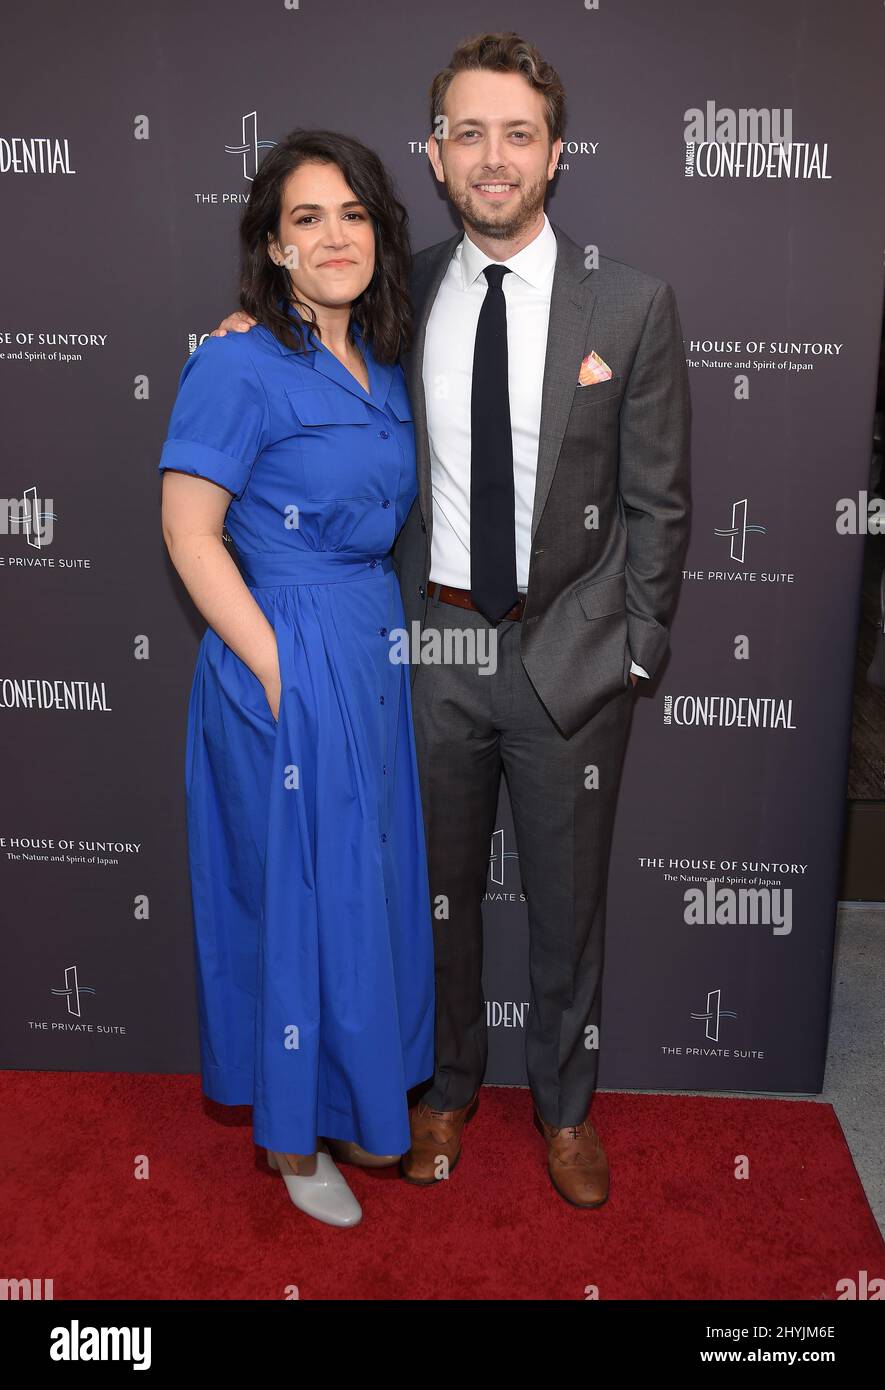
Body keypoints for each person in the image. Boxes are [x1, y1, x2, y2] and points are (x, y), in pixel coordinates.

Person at [212, 31, 691, 1210]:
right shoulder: (392, 289)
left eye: (517, 133)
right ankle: (442, 1094)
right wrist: (241, 326)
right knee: (430, 899)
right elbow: (297, 361)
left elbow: (660, 502)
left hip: (571, 650)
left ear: (555, 153)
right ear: (434, 156)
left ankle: (567, 1111)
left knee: (569, 908)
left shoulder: (629, 306)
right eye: (468, 133)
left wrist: (633, 647)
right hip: (426, 649)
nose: (493, 157)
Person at [158, 130, 434, 1229]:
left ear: (380, 234)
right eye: (307, 218)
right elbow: (189, 533)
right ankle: (288, 1140)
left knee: (358, 892)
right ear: (272, 246)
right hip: (282, 656)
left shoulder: (383, 359)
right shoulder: (234, 361)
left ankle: (358, 1096)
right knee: (293, 897)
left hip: (368, 647)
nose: (334, 236)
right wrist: (281, 674)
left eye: (354, 215)